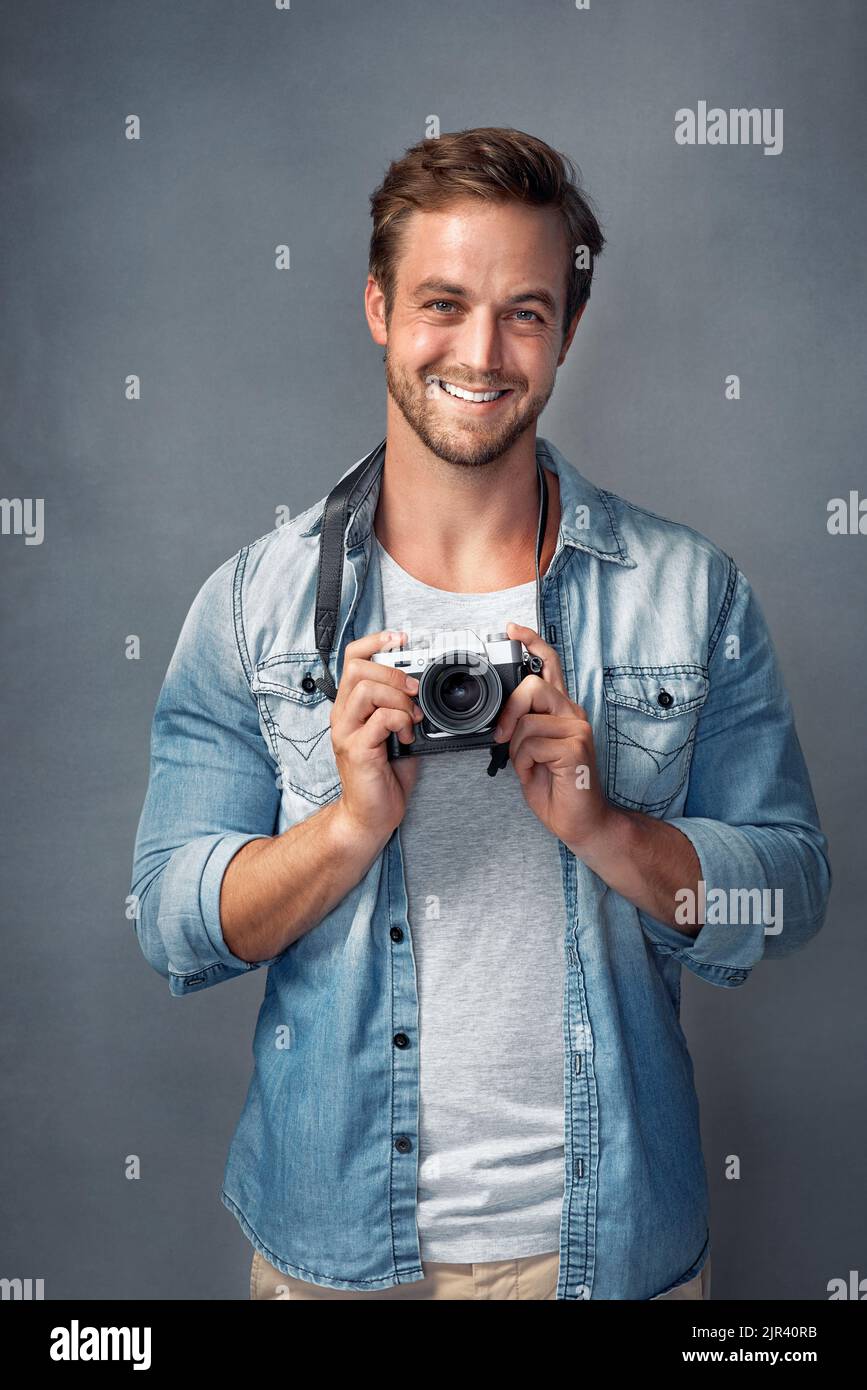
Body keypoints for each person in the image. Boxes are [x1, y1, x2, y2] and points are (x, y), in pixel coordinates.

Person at [130, 127, 831, 1300]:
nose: (480, 350)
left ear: (567, 330)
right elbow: (169, 921)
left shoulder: (688, 593)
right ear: (377, 307)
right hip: (334, 1260)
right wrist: (346, 830)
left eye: (524, 311)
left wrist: (609, 828)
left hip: (608, 1257)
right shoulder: (255, 604)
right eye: (443, 303)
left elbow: (789, 893)